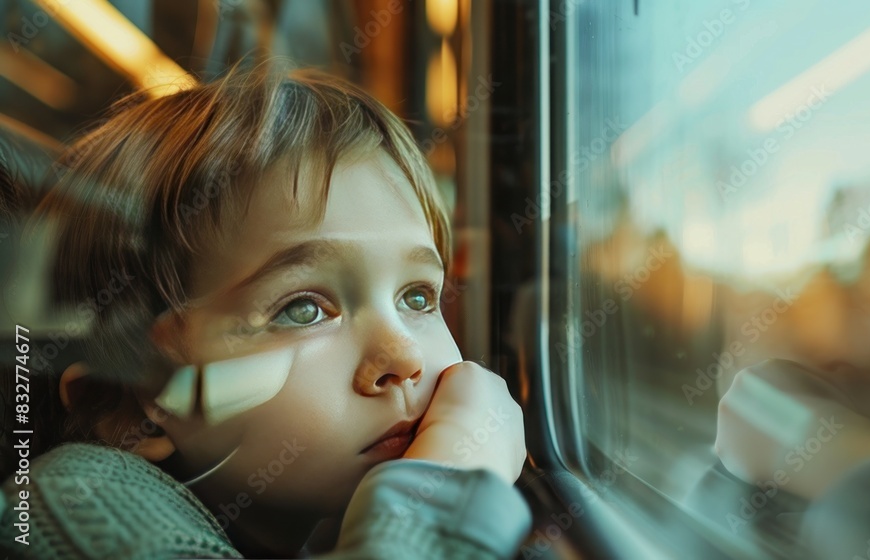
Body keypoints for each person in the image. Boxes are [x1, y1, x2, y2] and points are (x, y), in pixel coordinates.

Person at [0, 62, 530, 559]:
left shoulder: (313, 527)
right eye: (303, 309)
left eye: (417, 296)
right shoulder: (76, 501)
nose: (403, 357)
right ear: (127, 411)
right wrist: (451, 481)